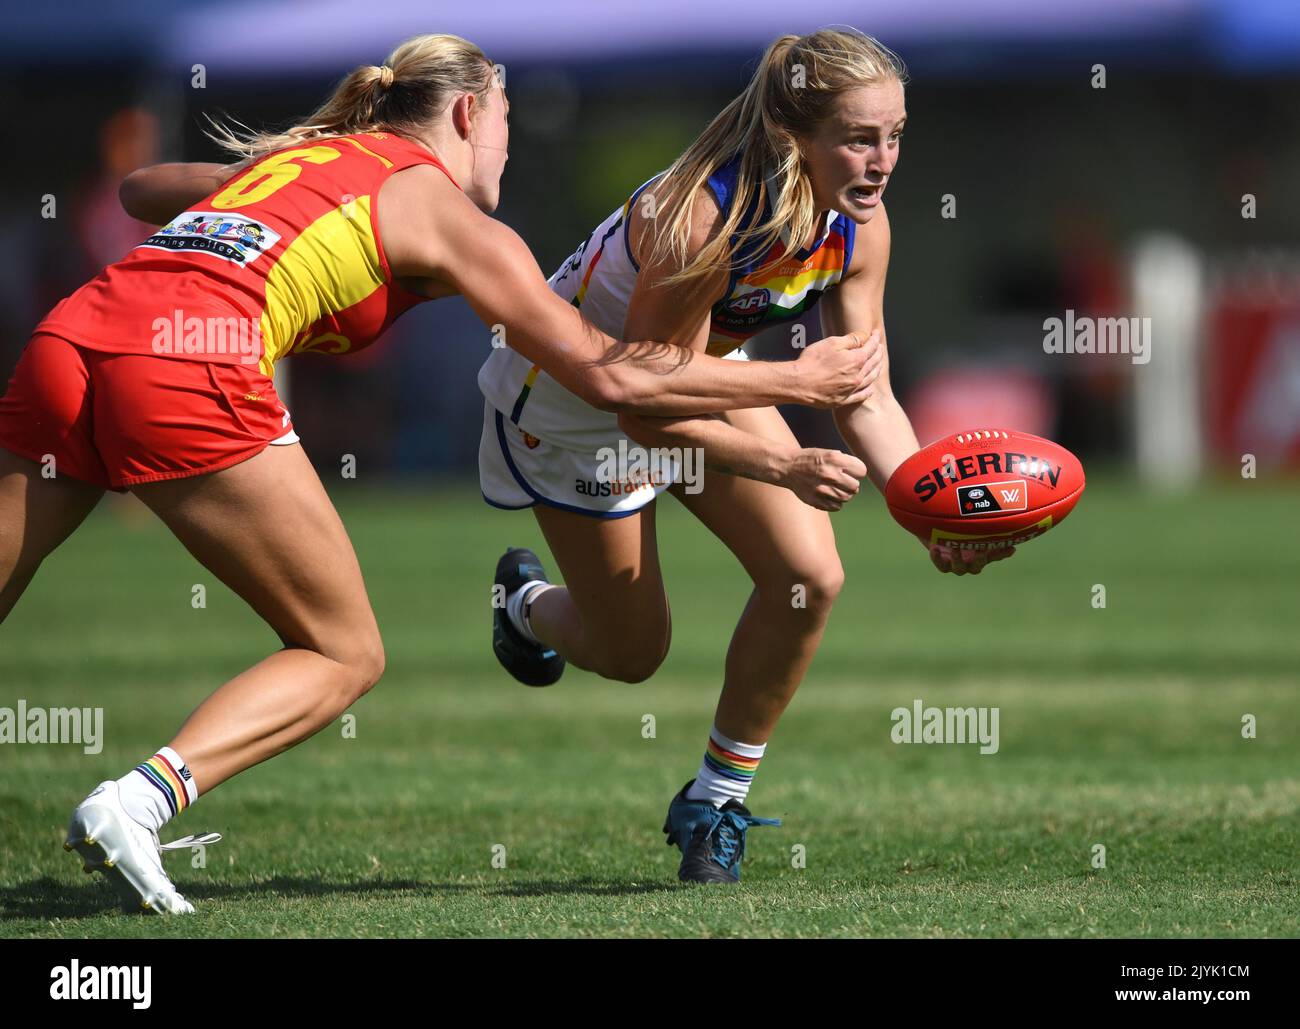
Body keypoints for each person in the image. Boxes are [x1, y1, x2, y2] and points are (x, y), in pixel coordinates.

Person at [0, 32, 879, 914]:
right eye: (503, 122)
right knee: (342, 652)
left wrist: (273, 186)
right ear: (467, 113)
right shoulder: (462, 223)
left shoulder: (323, 163)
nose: (507, 143)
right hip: (192, 364)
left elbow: (139, 190)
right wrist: (795, 381)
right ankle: (139, 803)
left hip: (74, 335)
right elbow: (614, 376)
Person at [480, 28, 1015, 884]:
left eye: (895, 135)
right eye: (859, 138)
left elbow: (864, 391)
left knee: (812, 574)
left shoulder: (858, 225)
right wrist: (789, 452)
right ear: (792, 136)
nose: (883, 161)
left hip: (691, 374)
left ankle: (715, 801)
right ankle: (526, 606)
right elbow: (644, 407)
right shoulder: (702, 218)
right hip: (574, 405)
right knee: (631, 653)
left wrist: (927, 508)